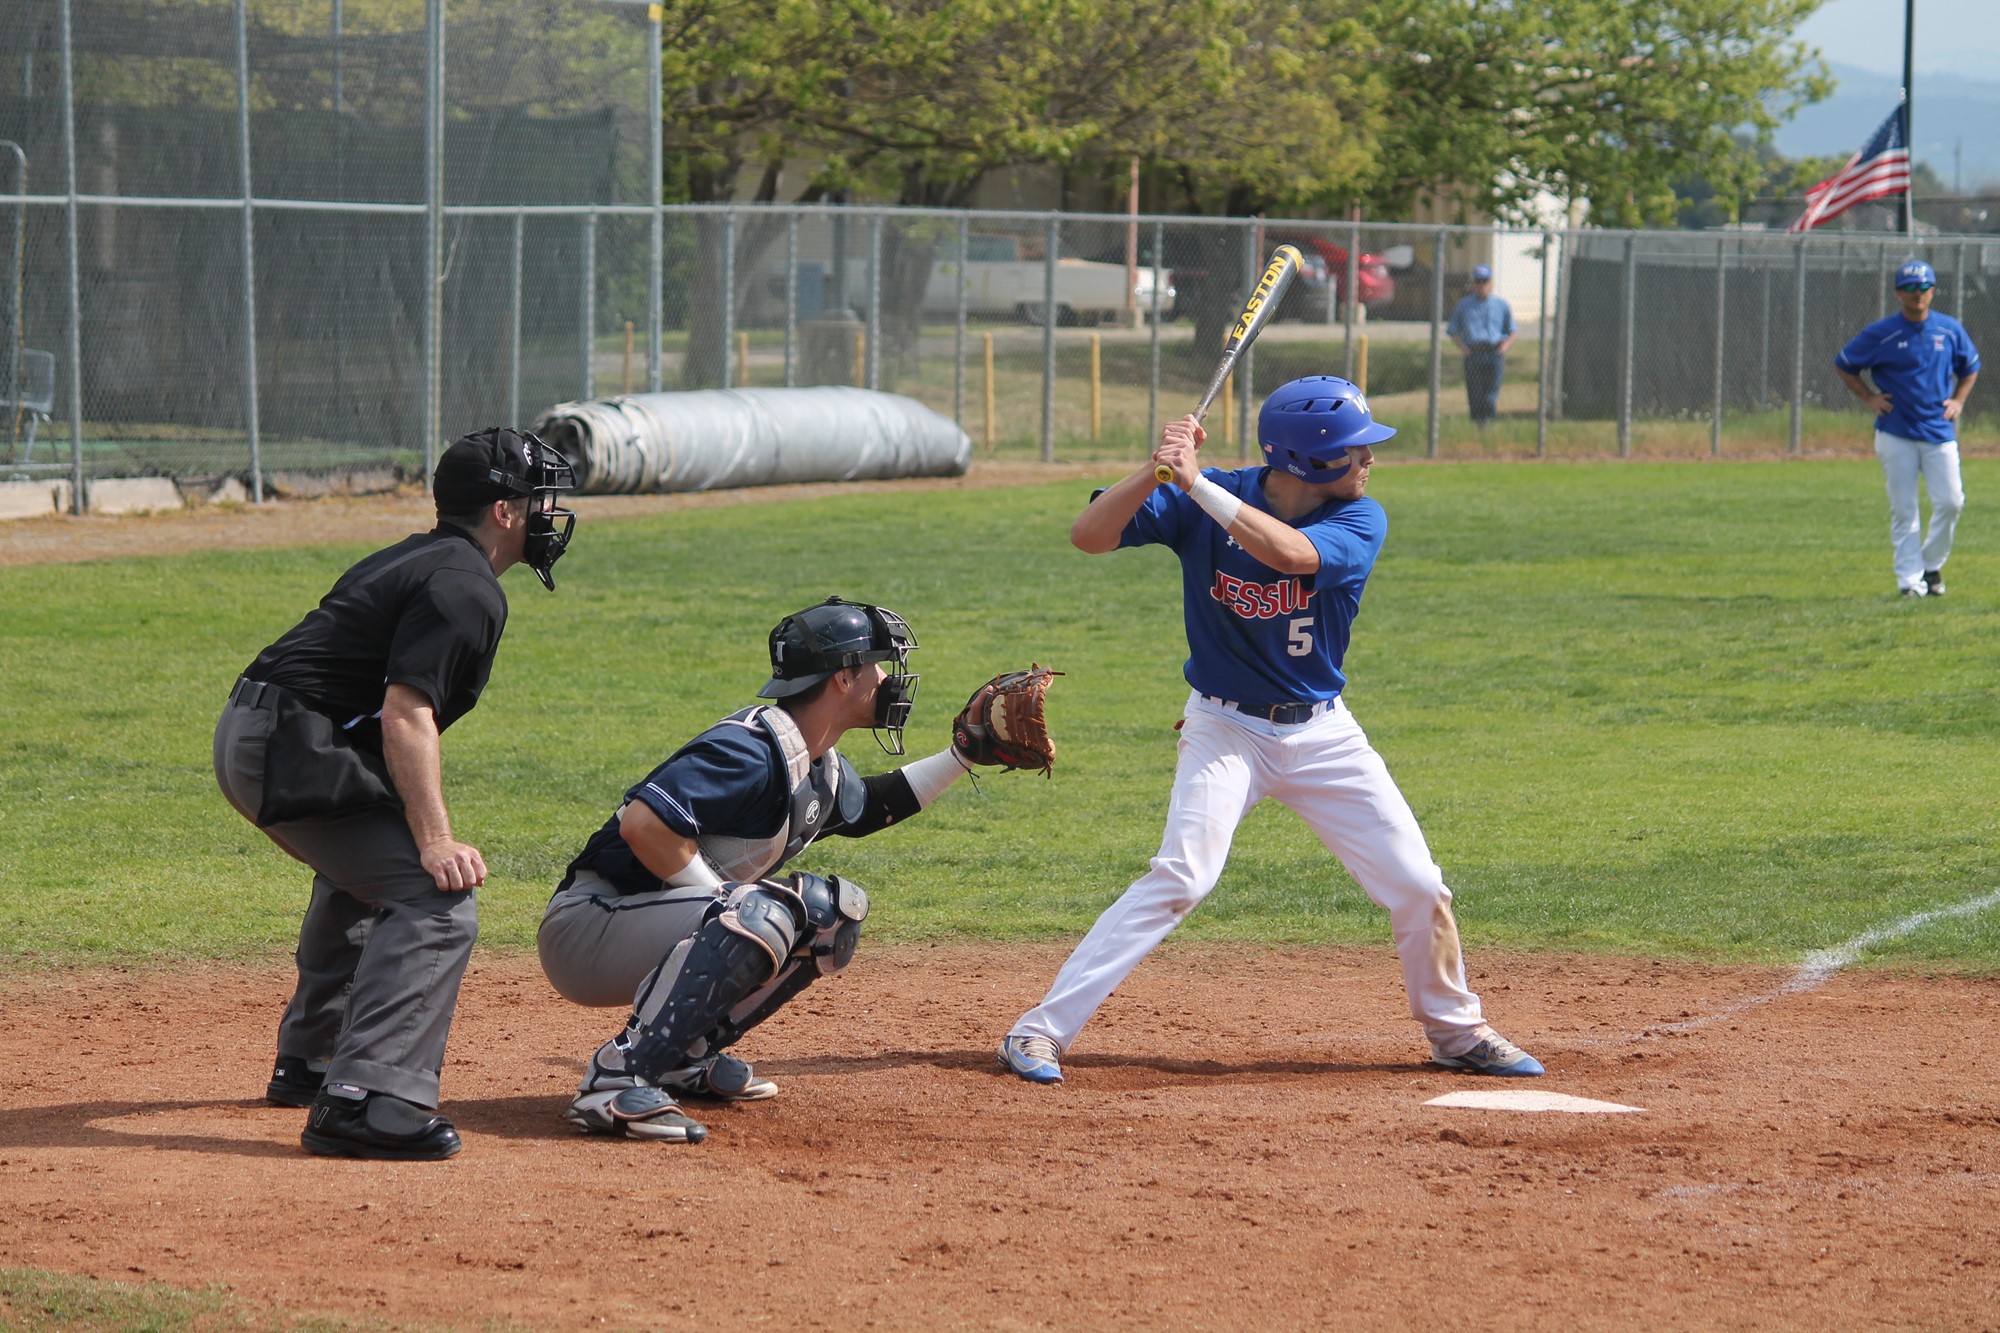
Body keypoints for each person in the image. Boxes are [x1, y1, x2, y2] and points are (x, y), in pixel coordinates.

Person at [997, 376, 1542, 1086]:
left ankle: (1456, 1031)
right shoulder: (1206, 491)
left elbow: (1289, 555)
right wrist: (1158, 468)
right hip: (1225, 729)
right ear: (1310, 461)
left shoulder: (1360, 519)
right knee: (1183, 875)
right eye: (1357, 450)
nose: (1371, 461)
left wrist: (1196, 487)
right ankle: (1036, 1031)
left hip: (1324, 736)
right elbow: (1088, 535)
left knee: (1418, 885)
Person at [213, 427, 578, 1160]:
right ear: (503, 512)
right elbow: (405, 713)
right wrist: (436, 838)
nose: (551, 515)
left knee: (373, 869)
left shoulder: (423, 556)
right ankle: (366, 1098)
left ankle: (313, 1061)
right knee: (434, 898)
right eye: (539, 500)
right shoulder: (464, 584)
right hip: (286, 742)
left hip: (266, 729)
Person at [538, 597, 1015, 1143]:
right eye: (879, 666)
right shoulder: (748, 749)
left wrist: (963, 757)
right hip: (590, 926)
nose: (888, 680)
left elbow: (873, 806)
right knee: (762, 911)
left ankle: (677, 1055)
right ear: (843, 677)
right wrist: (727, 904)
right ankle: (614, 1081)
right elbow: (644, 825)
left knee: (831, 916)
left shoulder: (812, 763)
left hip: (644, 924)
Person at [1834, 259, 1981, 598]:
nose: (1918, 294)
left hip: (1938, 433)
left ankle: (1930, 564)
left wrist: (1958, 400)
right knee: (1904, 509)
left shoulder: (1949, 329)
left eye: (1924, 287)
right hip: (1895, 433)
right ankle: (1909, 582)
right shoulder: (1883, 332)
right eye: (1911, 288)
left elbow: (1970, 367)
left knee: (1951, 502)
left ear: (1933, 291)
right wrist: (1869, 398)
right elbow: (1845, 365)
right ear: (1898, 293)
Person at [1445, 263, 1515, 426]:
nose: (1481, 285)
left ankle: (1489, 425)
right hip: (1474, 353)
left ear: (1490, 283)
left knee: (1491, 395)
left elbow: (1512, 330)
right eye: (1478, 281)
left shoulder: (1501, 305)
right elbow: (1453, 330)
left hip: (1494, 353)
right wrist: (1464, 349)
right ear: (1473, 284)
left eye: (1485, 281)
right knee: (1475, 395)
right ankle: (1476, 427)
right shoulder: (1464, 305)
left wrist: (1505, 347)